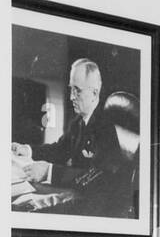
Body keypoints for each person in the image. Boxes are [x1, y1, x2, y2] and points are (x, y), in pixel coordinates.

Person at [10, 59, 127, 211]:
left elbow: (99, 177)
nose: (71, 96)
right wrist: (28, 150)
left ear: (94, 93)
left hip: (100, 204)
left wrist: (49, 171)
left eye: (77, 90)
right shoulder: (78, 121)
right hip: (77, 191)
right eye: (71, 89)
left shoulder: (107, 126)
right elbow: (60, 149)